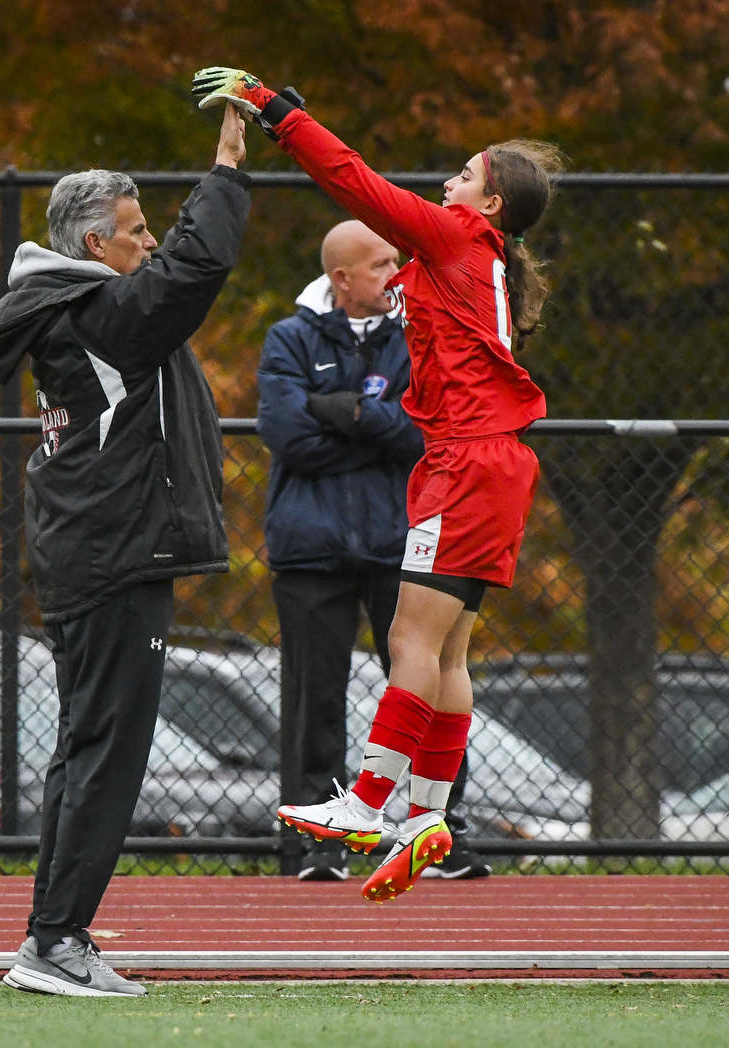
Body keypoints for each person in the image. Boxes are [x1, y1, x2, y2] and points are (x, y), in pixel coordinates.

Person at [194, 67, 560, 902]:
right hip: (491, 458)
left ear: (490, 204)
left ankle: (366, 803)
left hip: (466, 460)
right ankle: (428, 813)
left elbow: (349, 177)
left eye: (464, 175)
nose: (447, 182)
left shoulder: (458, 238)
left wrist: (273, 105)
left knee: (410, 642)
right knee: (451, 649)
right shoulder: (483, 258)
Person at [0, 105, 251, 994]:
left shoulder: (79, 307)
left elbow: (168, 286)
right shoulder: (94, 313)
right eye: (135, 233)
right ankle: (55, 943)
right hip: (110, 553)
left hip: (100, 551)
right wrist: (226, 170)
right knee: (107, 749)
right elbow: (192, 271)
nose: (147, 245)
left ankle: (53, 936)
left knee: (88, 744)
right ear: (95, 244)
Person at [258, 219, 490, 882]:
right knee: (315, 696)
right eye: (384, 263)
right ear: (342, 278)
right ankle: (317, 839)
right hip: (312, 547)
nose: (398, 273)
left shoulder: (420, 333)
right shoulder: (291, 338)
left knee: (429, 681)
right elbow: (286, 433)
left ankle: (437, 827)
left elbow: (428, 432)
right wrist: (378, 432)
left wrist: (348, 413)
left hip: (402, 542)